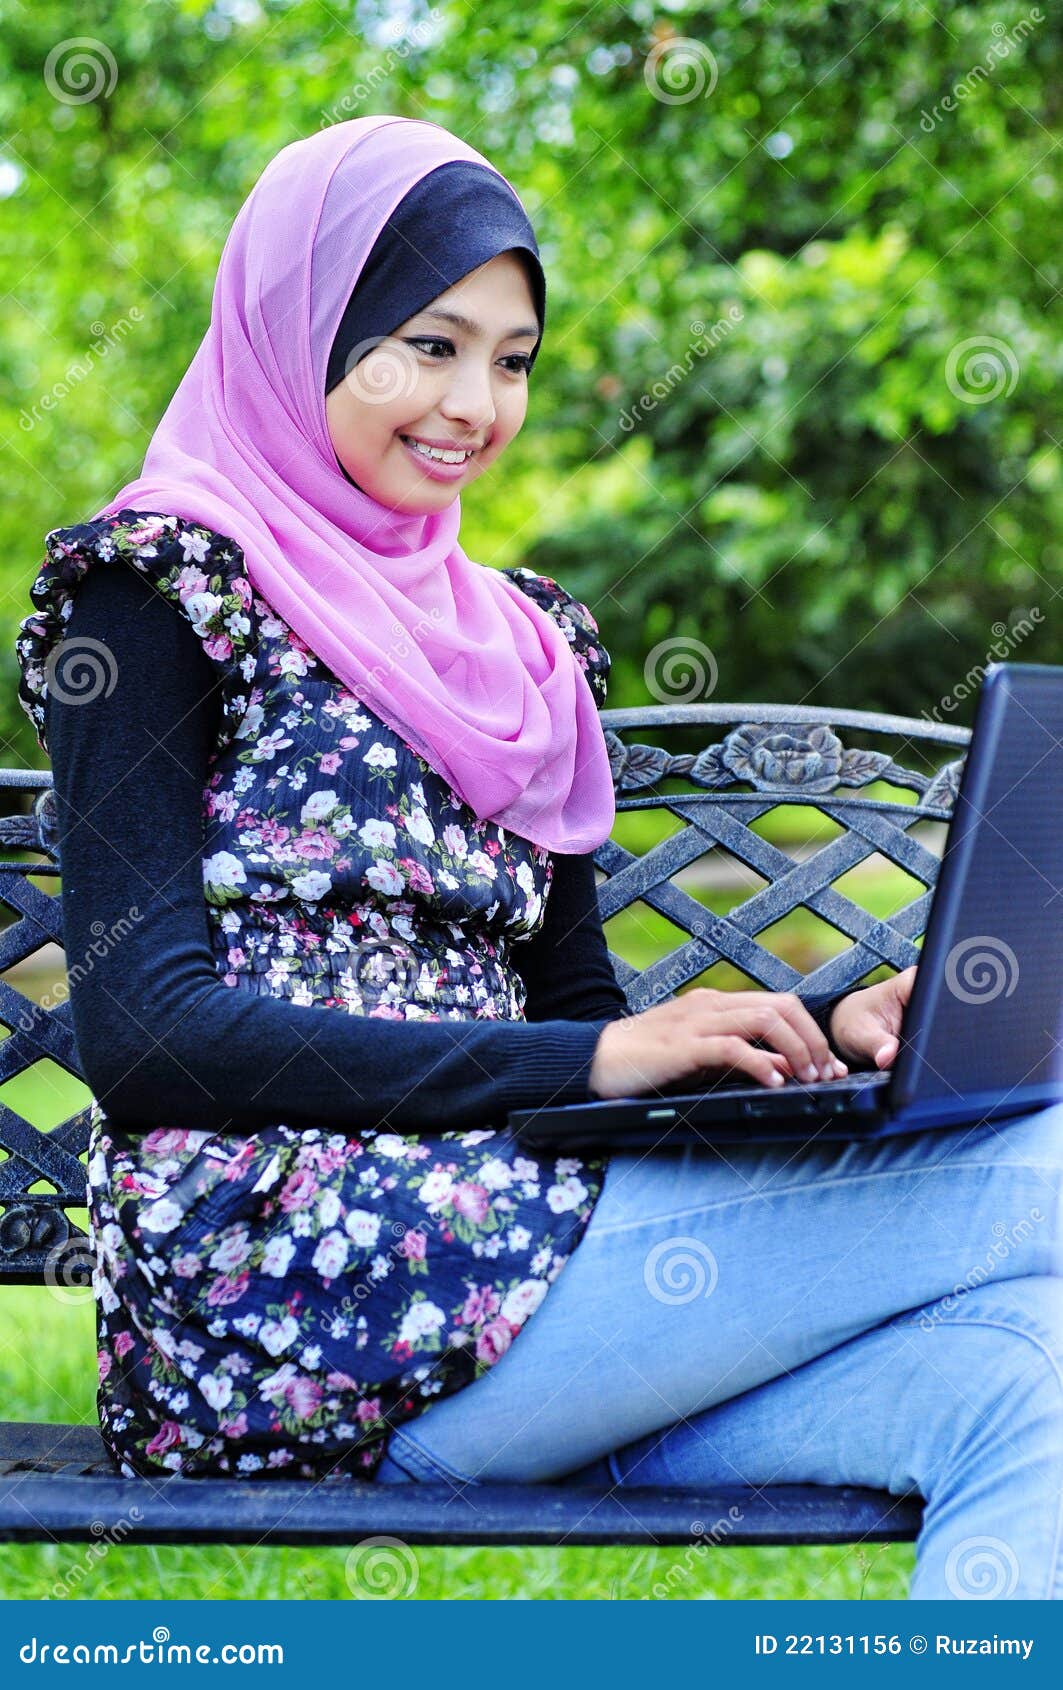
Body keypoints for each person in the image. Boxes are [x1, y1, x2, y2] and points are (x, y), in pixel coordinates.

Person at [15, 117, 1061, 1600]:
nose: (473, 403)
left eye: (511, 359)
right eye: (427, 346)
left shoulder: (521, 642)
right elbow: (147, 1034)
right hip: (282, 1295)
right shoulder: (157, 589)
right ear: (298, 328)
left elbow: (578, 1001)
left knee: (1030, 1376)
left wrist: (821, 1046)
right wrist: (579, 1068)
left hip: (544, 1282)